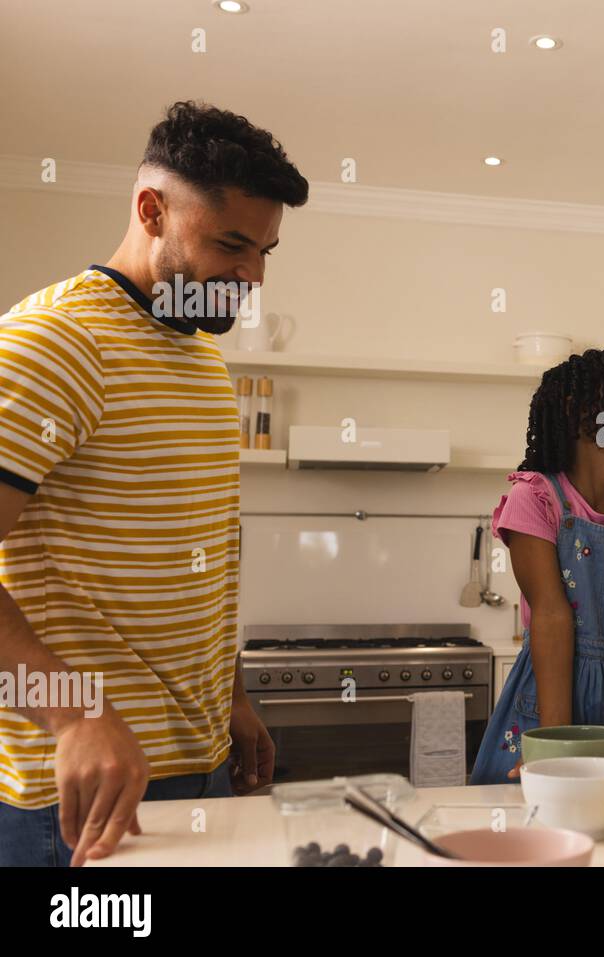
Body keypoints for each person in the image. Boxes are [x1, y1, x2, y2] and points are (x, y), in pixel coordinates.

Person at [0, 101, 308, 866]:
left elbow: (204, 554)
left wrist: (230, 697)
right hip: (76, 794)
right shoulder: (53, 343)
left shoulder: (202, 360)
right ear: (151, 210)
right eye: (232, 244)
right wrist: (73, 716)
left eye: (266, 250)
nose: (252, 275)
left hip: (195, 770)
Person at [470, 348, 604, 784]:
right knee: (541, 818)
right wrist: (555, 745)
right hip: (551, 693)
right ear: (578, 409)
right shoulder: (534, 498)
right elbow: (551, 615)